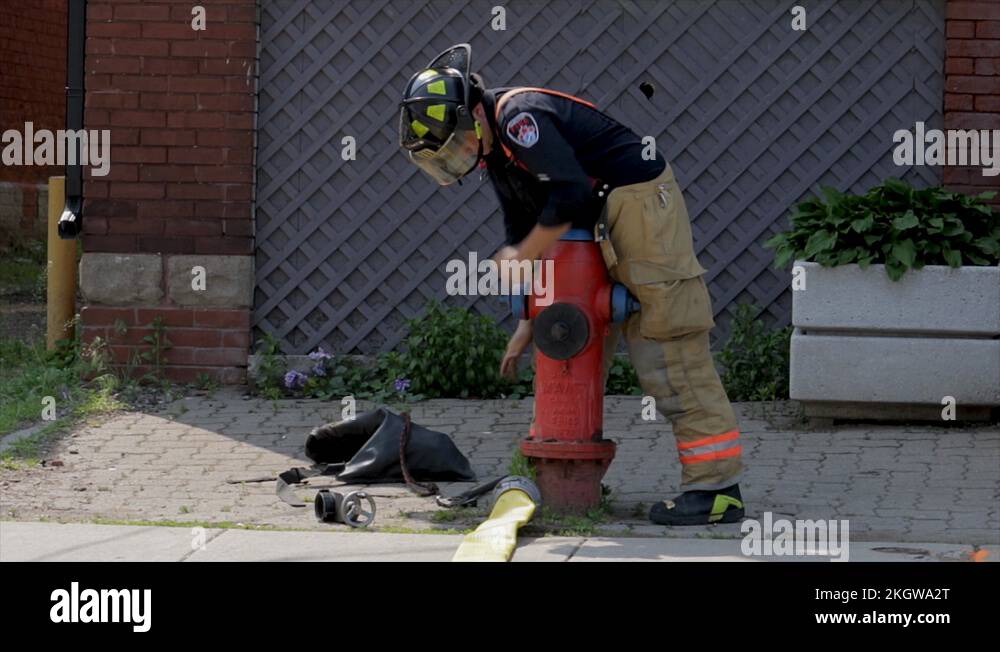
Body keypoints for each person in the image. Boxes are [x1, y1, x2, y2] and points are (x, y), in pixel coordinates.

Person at [398, 44, 745, 526]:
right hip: (596, 215)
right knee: (582, 348)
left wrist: (521, 257)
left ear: (475, 112)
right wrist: (527, 320)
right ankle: (572, 470)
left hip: (637, 201)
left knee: (668, 346)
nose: (459, 157)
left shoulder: (520, 119)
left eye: (456, 144)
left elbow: (570, 192)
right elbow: (522, 225)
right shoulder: (496, 151)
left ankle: (716, 490)